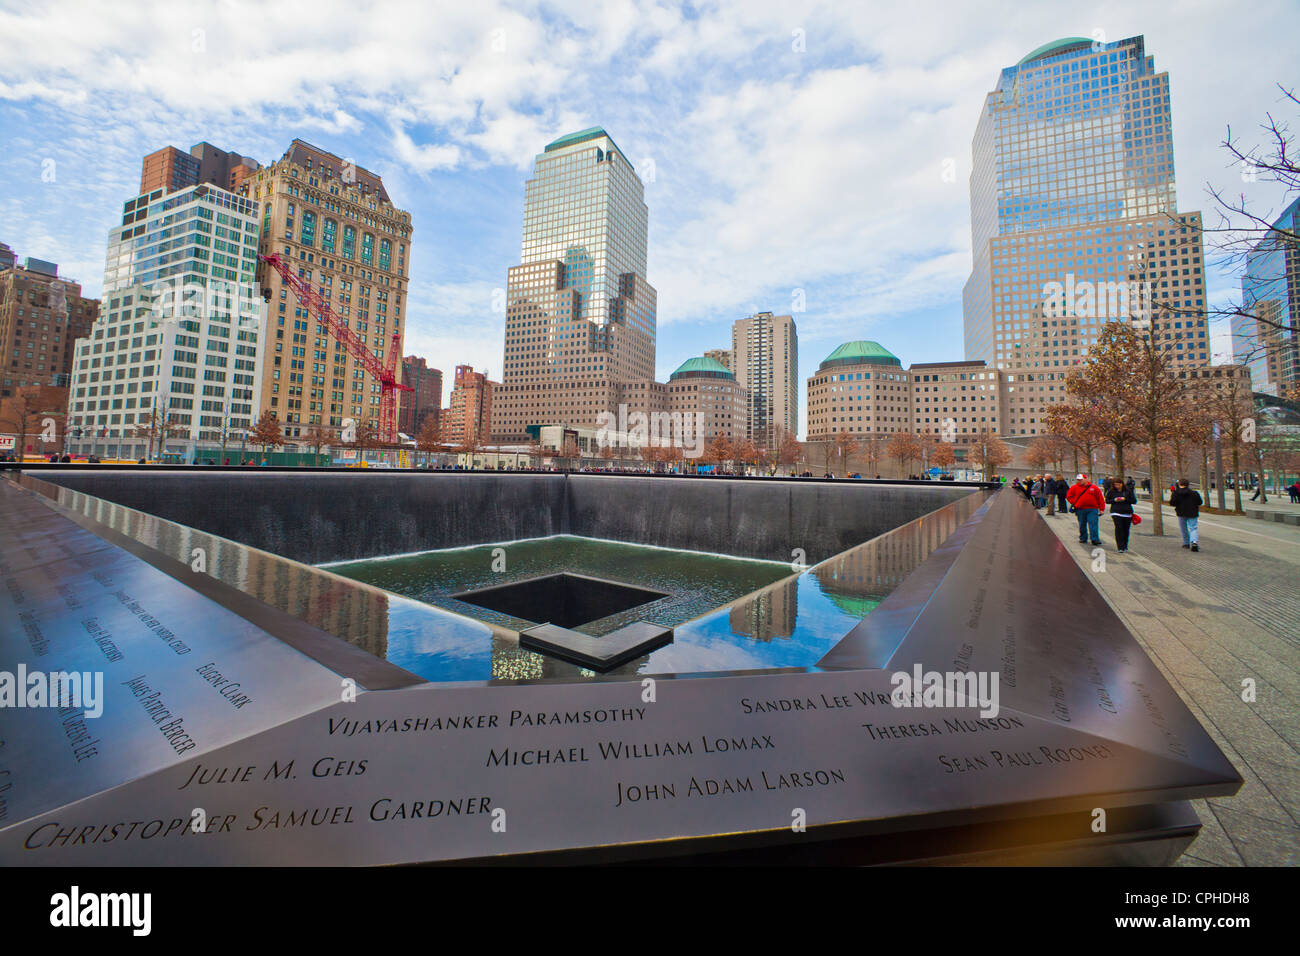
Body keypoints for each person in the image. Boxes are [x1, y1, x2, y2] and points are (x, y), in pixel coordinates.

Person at [1066, 474, 1105, 546]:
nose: (1079, 481)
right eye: (1078, 480)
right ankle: (1083, 538)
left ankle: (1095, 539)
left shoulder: (1094, 488)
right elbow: (1069, 496)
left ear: (1085, 479)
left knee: (1093, 524)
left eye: (1081, 479)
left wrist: (1102, 509)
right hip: (1080, 509)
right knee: (1082, 524)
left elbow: (1100, 499)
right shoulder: (1074, 488)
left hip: (1092, 509)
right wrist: (1075, 502)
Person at [1105, 477, 1137, 553]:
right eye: (1115, 485)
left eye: (1119, 484)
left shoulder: (1128, 491)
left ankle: (1125, 545)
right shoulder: (1111, 491)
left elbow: (1134, 501)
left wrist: (1125, 499)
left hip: (1127, 513)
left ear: (1122, 484)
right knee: (1119, 529)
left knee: (1126, 530)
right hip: (1116, 512)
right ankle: (1120, 546)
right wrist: (1114, 500)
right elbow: (1107, 501)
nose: (1117, 486)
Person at [1170, 478, 1202, 552]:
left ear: (1179, 484)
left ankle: (1186, 543)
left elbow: (1172, 503)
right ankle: (1194, 542)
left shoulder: (1175, 493)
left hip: (1181, 513)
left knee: (1183, 528)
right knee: (1193, 528)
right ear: (1188, 484)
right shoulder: (1194, 493)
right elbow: (1200, 502)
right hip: (1193, 513)